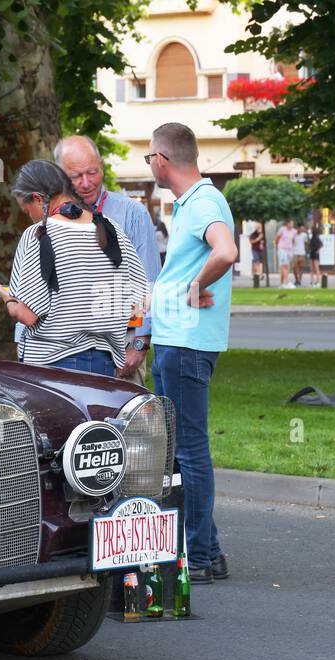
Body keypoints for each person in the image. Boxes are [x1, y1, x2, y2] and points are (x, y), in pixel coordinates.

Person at [146, 121, 238, 585]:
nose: (151, 166)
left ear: (163, 159)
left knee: (190, 452)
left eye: (149, 158)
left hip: (185, 345)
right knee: (181, 453)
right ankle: (206, 551)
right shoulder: (191, 204)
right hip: (175, 341)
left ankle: (200, 556)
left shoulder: (203, 201)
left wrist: (194, 286)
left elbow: (226, 251)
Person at [0, 160, 147, 378]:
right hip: (106, 365)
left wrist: (8, 299)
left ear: (38, 198)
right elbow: (139, 302)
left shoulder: (38, 234)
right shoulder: (112, 229)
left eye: (27, 210)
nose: (29, 217)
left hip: (53, 365)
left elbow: (27, 315)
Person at [55, 135, 159, 382]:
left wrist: (141, 343)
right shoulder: (50, 218)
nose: (86, 182)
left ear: (102, 166)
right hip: (62, 346)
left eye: (93, 172)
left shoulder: (132, 214)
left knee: (118, 418)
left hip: (120, 342)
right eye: (75, 176)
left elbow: (148, 282)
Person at [275, 218, 296, 288]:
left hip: (289, 250)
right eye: (291, 223)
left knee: (284, 267)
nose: (292, 225)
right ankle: (287, 282)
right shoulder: (282, 229)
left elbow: (293, 240)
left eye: (293, 223)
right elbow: (277, 238)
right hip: (282, 249)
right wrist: (278, 246)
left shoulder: (294, 231)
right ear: (287, 224)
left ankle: (281, 284)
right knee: (285, 265)